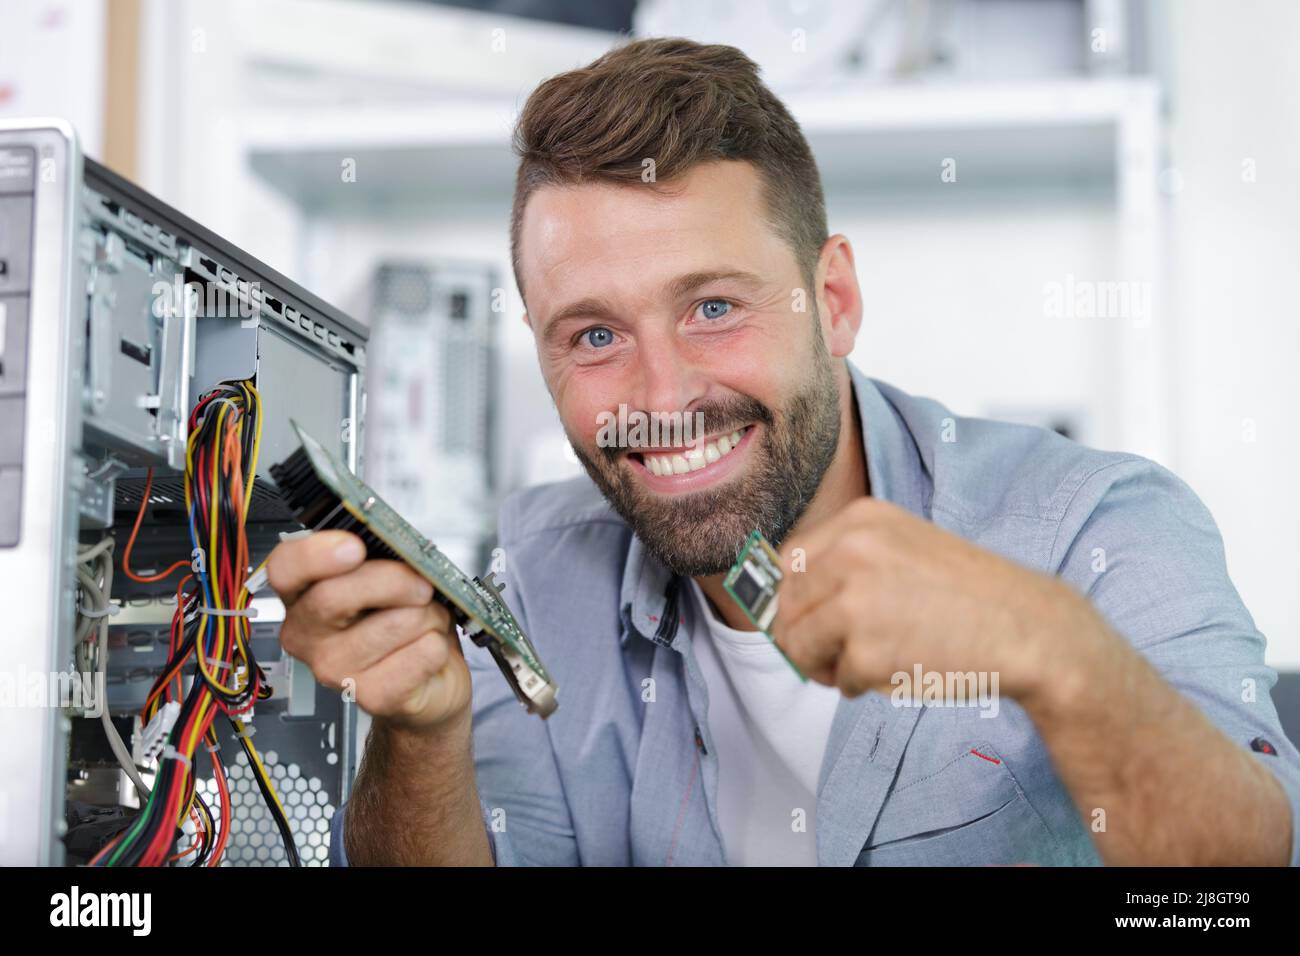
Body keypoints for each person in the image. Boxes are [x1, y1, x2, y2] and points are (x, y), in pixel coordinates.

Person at [267, 37, 1300, 866]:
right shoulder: (538, 574)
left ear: (833, 301)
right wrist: (421, 734)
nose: (663, 397)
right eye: (593, 335)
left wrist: (1060, 654)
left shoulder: (1097, 527)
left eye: (714, 306)